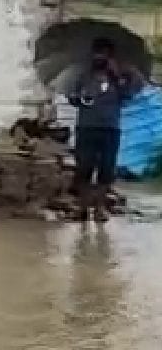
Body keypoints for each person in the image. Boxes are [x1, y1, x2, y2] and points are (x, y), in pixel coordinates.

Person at [66, 37, 146, 222]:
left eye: (104, 54)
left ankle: (100, 208)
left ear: (110, 56)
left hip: (110, 128)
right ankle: (82, 208)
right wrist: (77, 97)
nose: (99, 57)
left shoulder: (123, 77)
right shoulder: (83, 75)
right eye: (97, 53)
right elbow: (73, 97)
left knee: (107, 168)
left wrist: (117, 77)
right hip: (86, 127)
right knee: (84, 167)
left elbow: (128, 96)